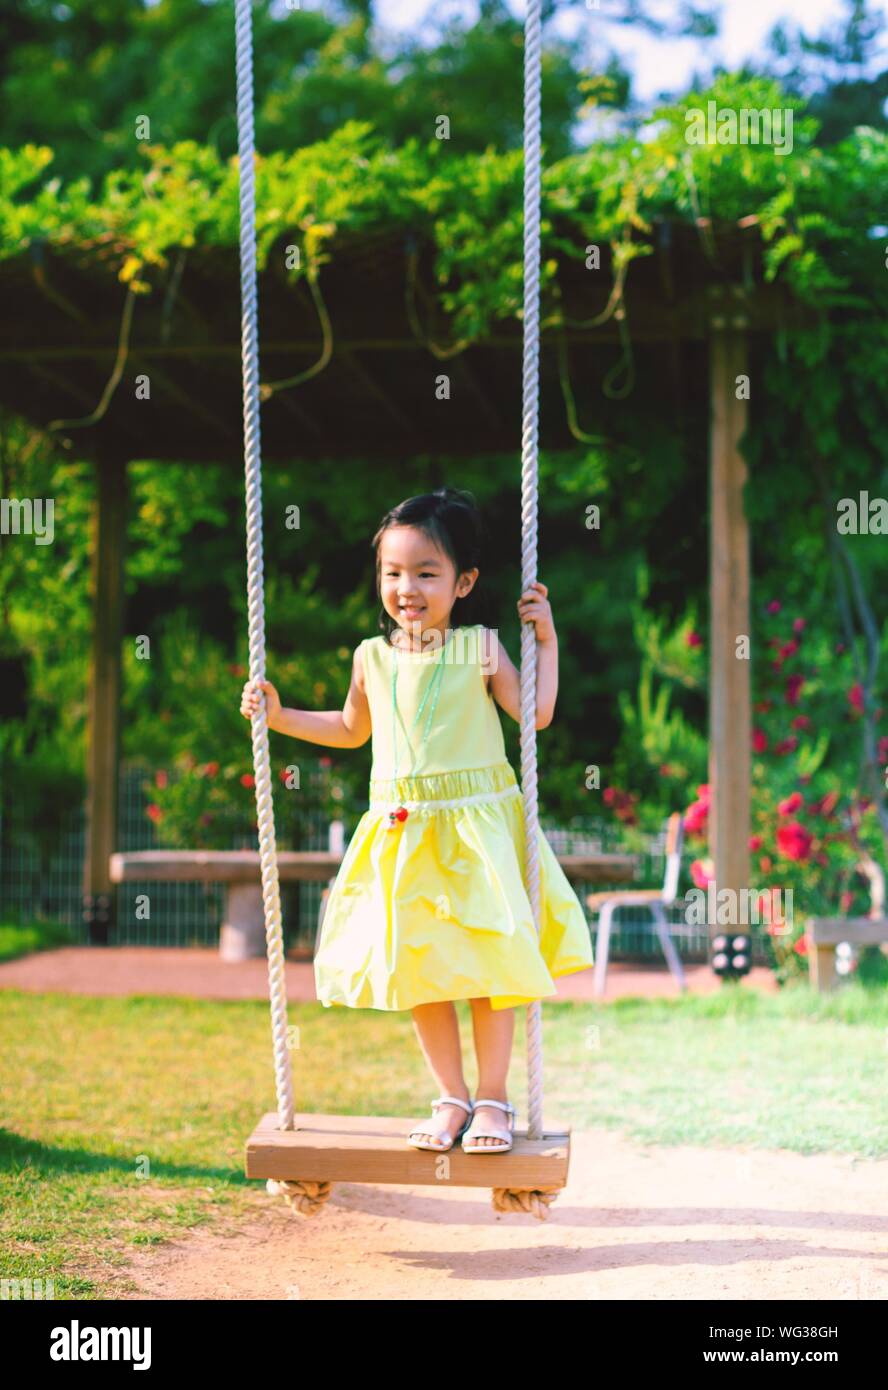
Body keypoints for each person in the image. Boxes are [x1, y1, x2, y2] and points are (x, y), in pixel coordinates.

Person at [240, 487, 593, 1155]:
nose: (407, 588)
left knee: (491, 967)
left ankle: (493, 1100)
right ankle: (451, 1099)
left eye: (426, 573)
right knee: (421, 970)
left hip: (476, 830)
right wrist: (281, 716)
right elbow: (350, 729)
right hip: (404, 834)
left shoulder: (479, 648)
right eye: (393, 573)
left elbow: (536, 717)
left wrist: (545, 637)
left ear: (463, 583)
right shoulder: (370, 658)